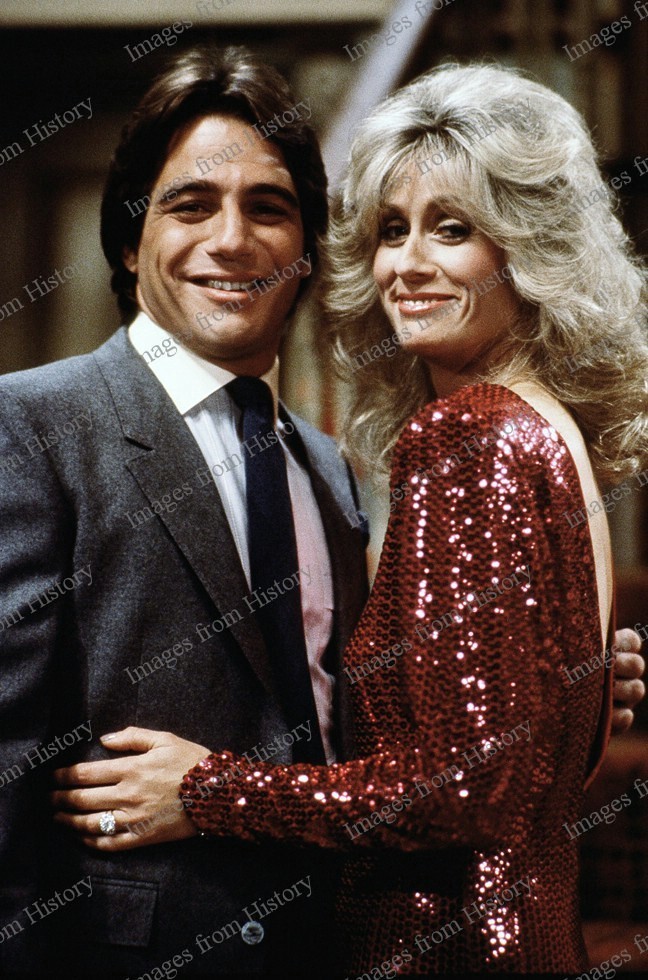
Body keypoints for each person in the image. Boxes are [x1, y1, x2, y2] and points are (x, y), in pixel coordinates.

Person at [51, 62, 648, 974]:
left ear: (530, 248)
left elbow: (468, 788)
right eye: (390, 231)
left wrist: (209, 792)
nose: (407, 264)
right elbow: (519, 762)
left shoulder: (469, 436)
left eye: (454, 229)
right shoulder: (547, 429)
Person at [0, 45, 370, 978]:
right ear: (131, 243)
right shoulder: (33, 424)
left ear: (306, 252)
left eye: (269, 207)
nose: (232, 239)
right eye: (192, 205)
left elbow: (351, 727)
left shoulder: (329, 470)